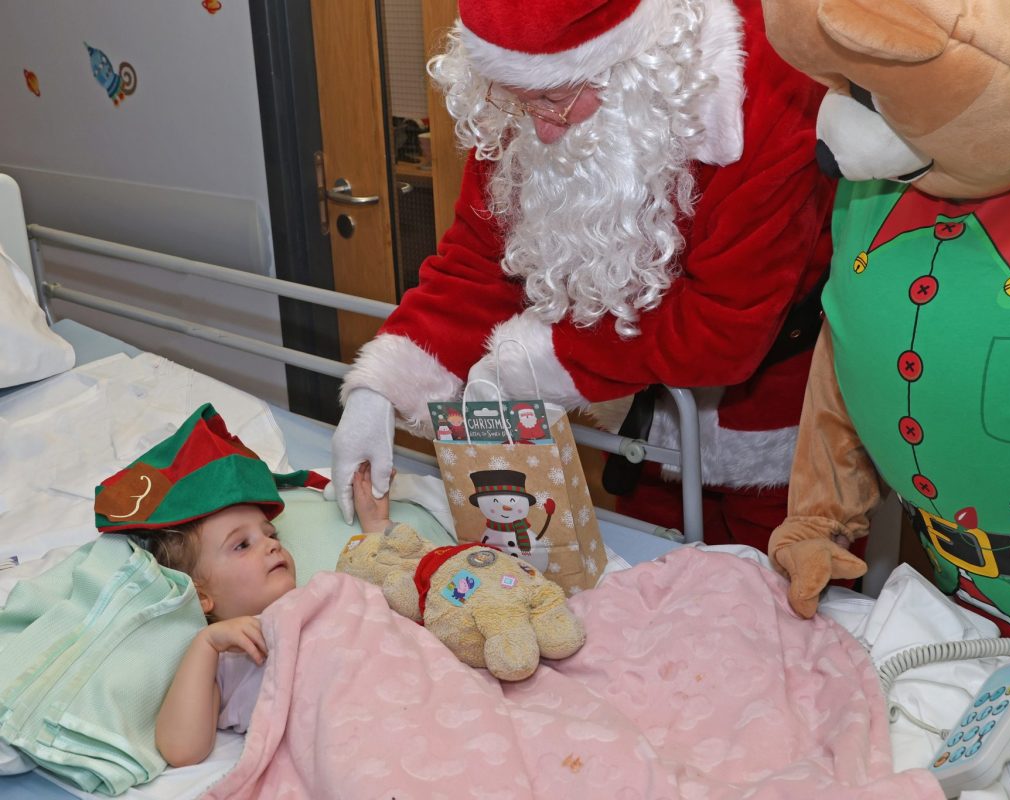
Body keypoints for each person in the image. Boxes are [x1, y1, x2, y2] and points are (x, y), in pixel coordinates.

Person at [332, 0, 836, 551]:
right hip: (640, 422)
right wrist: (381, 386)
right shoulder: (529, 99)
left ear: (631, 62)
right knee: (647, 577)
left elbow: (726, 324)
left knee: (788, 607)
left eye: (555, 97)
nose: (542, 130)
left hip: (784, 423)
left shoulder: (771, 95)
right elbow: (481, 259)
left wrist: (553, 360)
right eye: (520, 99)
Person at [149, 465, 392, 767]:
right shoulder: (230, 656)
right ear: (201, 597)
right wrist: (206, 644)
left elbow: (396, 596)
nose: (272, 544)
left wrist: (377, 525)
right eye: (242, 545)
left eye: (270, 534)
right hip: (360, 750)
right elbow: (181, 749)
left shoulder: (325, 592)